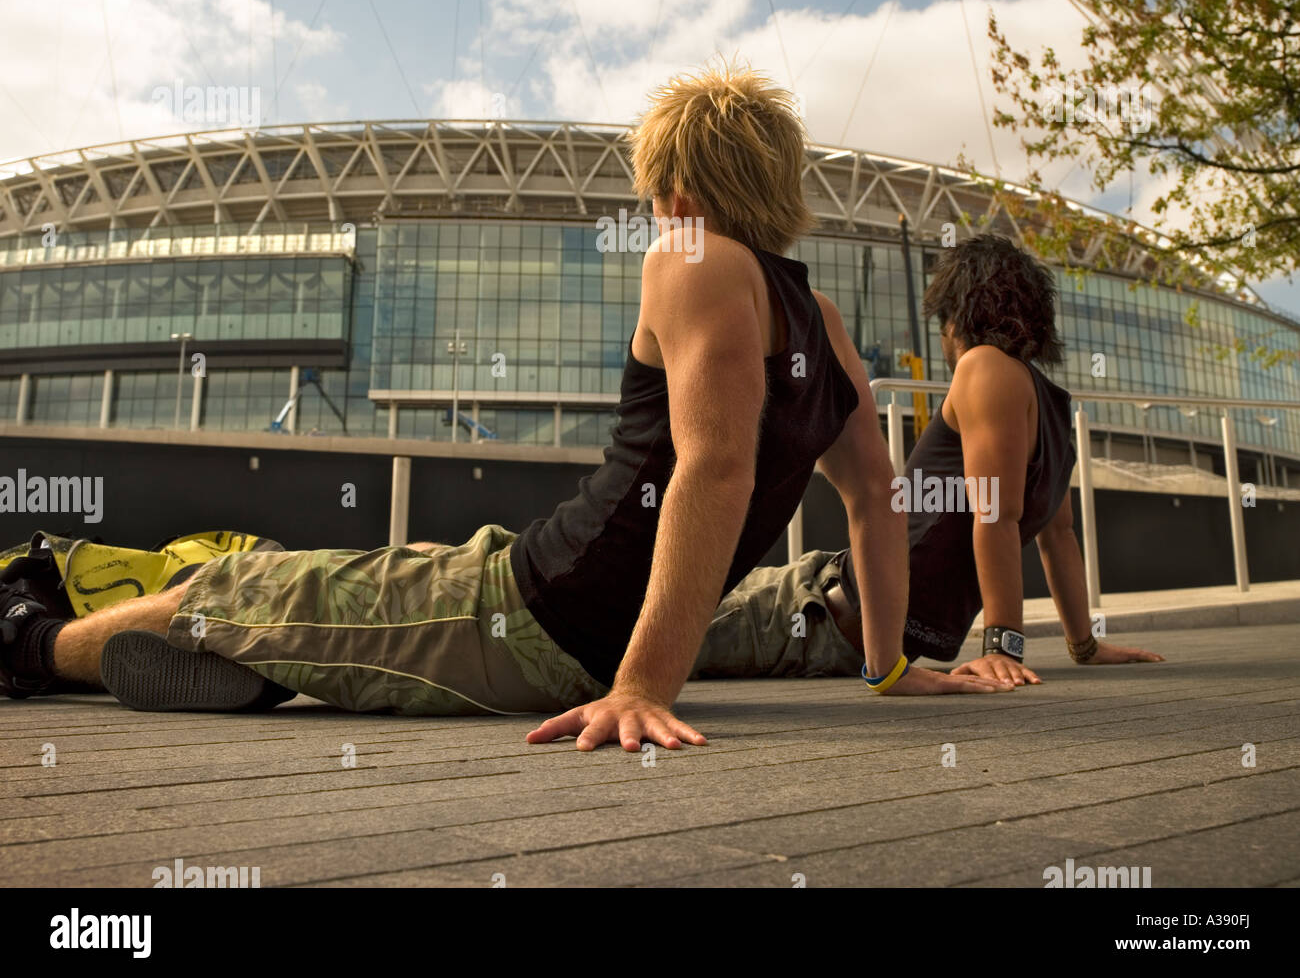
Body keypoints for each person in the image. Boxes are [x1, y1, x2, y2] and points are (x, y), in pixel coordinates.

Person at [0, 65, 1003, 751]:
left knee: (242, 590)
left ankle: (27, 640)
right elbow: (873, 500)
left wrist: (643, 684)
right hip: (522, 587)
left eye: (655, 188)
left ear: (685, 185)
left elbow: (714, 467)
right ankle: (93, 614)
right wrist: (887, 666)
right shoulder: (823, 322)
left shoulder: (694, 256)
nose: (652, 209)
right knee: (303, 585)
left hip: (527, 619)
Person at [693, 234, 1165, 686]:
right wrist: (1082, 645)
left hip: (808, 620)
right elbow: (1055, 535)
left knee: (629, 638)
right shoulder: (1051, 408)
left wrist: (1003, 647)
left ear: (956, 317)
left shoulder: (984, 366)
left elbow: (1001, 515)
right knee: (631, 625)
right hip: (816, 602)